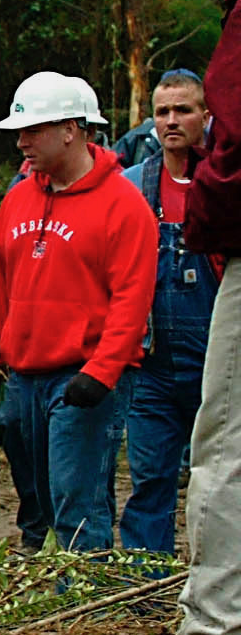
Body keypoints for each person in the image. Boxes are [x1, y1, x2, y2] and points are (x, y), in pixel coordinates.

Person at [114, 0, 241, 635]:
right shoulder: (133, 179)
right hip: (154, 361)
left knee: (225, 448)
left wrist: (212, 209)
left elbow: (234, 141)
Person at [0, 71, 155, 555]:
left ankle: (85, 615)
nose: (22, 142)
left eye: (32, 131)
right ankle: (59, 595)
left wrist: (102, 372)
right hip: (26, 377)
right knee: (40, 502)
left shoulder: (123, 205)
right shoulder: (18, 197)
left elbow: (132, 301)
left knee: (79, 502)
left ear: (70, 129)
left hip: (82, 380)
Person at [117, 71, 219, 560]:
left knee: (219, 479)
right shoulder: (132, 187)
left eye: (183, 110)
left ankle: (217, 581)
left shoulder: (224, 184)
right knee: (149, 478)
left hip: (217, 358)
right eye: (162, 112)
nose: (171, 121)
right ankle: (146, 586)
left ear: (207, 115)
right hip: (151, 360)